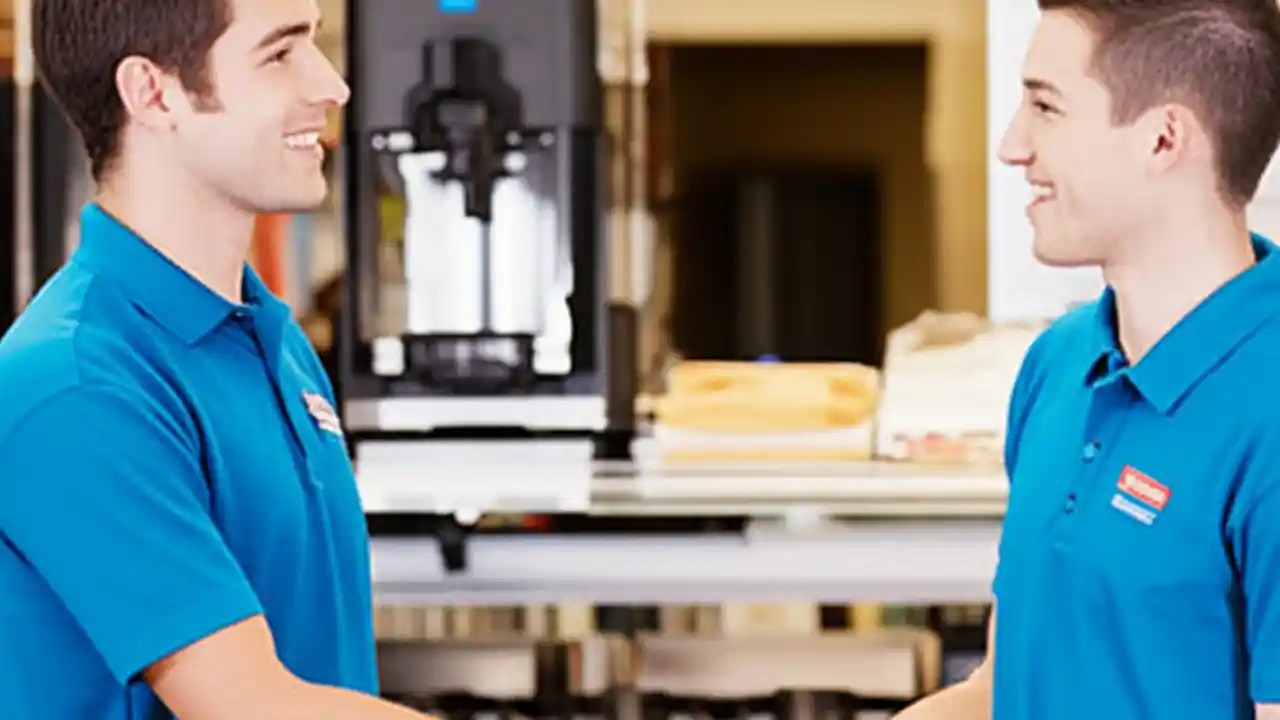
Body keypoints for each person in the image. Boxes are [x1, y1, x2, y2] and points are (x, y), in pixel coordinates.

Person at [0, 1, 441, 718]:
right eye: (279, 53)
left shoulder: (271, 340)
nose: (332, 85)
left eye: (315, 44)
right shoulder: (73, 385)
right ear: (154, 91)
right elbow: (249, 706)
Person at [896, 0, 1280, 718]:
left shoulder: (1270, 409)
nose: (1013, 145)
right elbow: (999, 691)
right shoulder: (1060, 363)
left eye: (1046, 107)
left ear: (1163, 139)